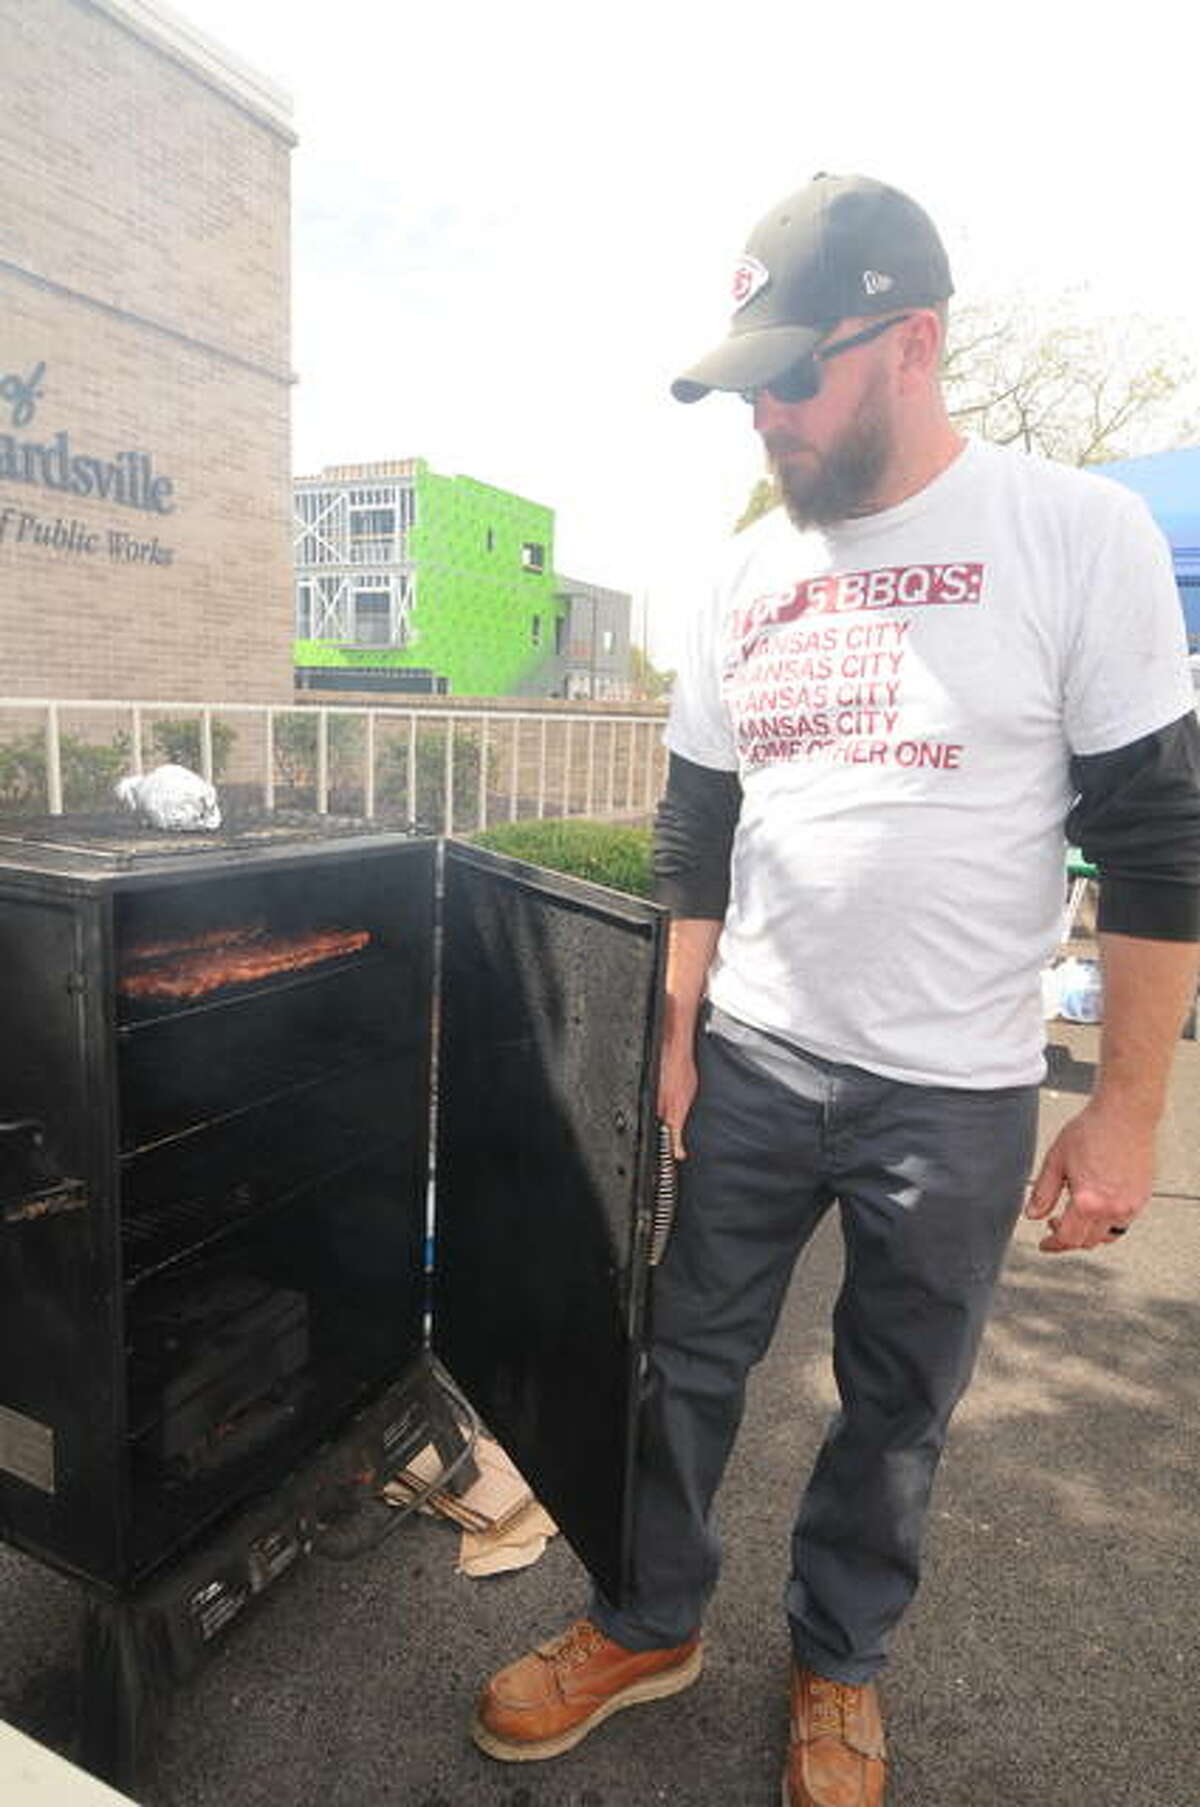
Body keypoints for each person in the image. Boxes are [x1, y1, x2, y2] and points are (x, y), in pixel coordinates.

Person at [471, 172, 1200, 1806]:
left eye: (795, 376)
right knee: (681, 1362)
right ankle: (648, 1617)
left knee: (897, 1404)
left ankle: (840, 1661)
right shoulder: (746, 572)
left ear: (913, 344)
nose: (767, 415)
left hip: (959, 1089)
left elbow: (1158, 839)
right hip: (754, 1059)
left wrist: (1128, 1111)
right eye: (749, 386)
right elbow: (697, 827)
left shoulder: (1071, 532)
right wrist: (675, 1031)